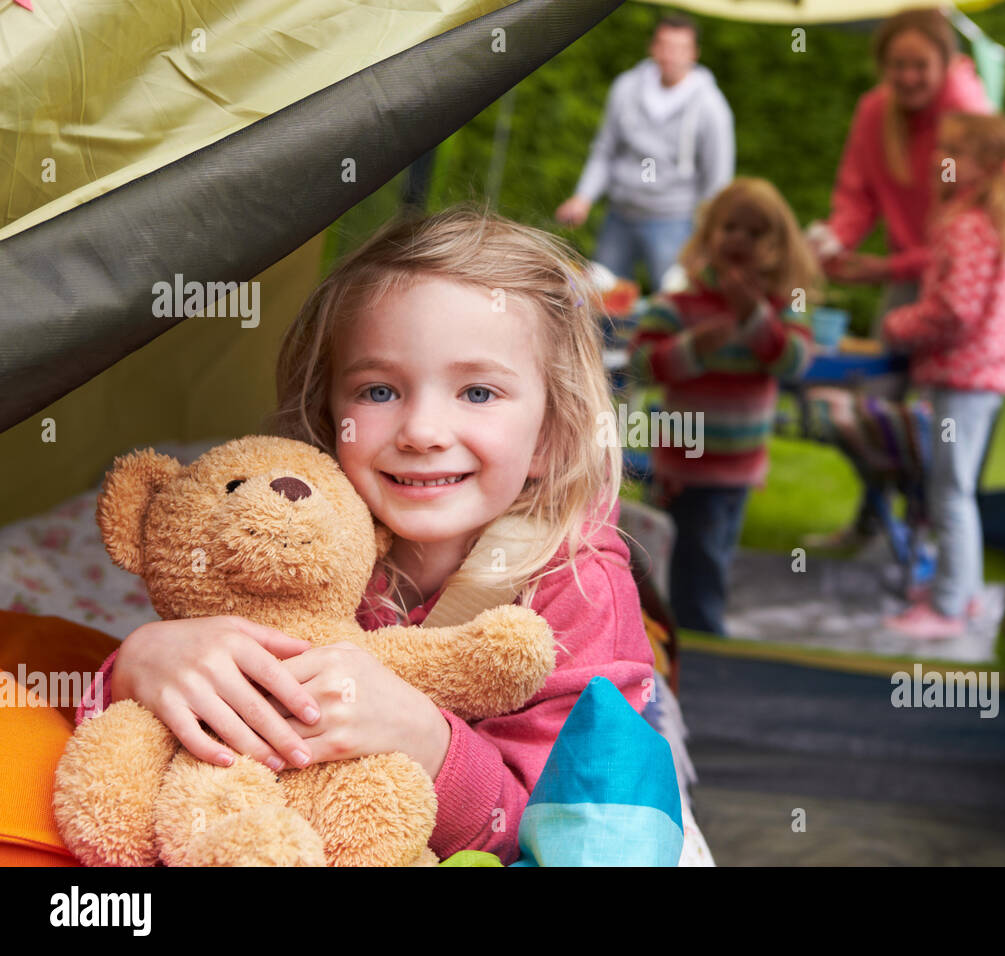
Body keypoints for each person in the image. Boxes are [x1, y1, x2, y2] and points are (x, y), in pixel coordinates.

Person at [75, 207, 655, 865]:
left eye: (478, 392)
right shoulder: (295, 540)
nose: (422, 430)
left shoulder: (579, 587)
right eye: (379, 390)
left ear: (550, 433)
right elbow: (149, 749)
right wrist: (138, 666)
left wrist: (425, 739)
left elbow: (570, 834)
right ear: (327, 416)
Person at [803, 7, 991, 551]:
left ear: (948, 63)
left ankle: (927, 536)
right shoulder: (873, 113)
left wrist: (888, 268)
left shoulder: (968, 117)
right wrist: (836, 240)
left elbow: (970, 236)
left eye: (920, 66)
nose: (908, 77)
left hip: (957, 286)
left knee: (930, 421)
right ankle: (875, 521)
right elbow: (855, 194)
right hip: (908, 279)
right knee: (872, 407)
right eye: (897, 65)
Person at [627, 178, 819, 636]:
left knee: (709, 555)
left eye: (755, 234)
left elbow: (794, 362)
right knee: (693, 562)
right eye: (730, 227)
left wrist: (754, 317)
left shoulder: (780, 307)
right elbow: (641, 364)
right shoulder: (681, 304)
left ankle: (675, 634)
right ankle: (700, 639)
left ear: (777, 247)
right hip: (684, 465)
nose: (740, 240)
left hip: (739, 468)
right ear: (709, 234)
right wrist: (693, 348)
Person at [879, 112, 1005, 639]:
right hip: (977, 377)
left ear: (986, 166)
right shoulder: (985, 219)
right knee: (953, 487)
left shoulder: (968, 225)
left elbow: (956, 310)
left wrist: (898, 323)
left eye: (952, 151)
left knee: (950, 490)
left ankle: (947, 607)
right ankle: (961, 590)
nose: (937, 160)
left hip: (965, 378)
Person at [555, 13, 734, 291]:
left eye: (679, 48)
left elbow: (718, 178)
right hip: (620, 215)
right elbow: (605, 151)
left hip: (673, 222)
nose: (670, 55)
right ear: (652, 47)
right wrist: (583, 197)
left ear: (694, 53)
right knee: (601, 300)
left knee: (671, 304)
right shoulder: (626, 88)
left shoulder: (711, 106)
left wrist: (706, 236)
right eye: (664, 45)